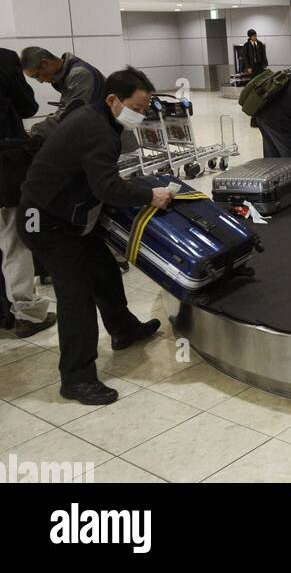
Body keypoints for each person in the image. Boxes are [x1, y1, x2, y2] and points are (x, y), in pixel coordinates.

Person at [18, 67, 176, 406]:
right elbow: (106, 186)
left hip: (68, 218)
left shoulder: (100, 119)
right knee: (76, 296)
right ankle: (76, 378)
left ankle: (123, 329)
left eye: (146, 107)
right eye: (137, 106)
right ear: (112, 100)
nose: (142, 113)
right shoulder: (97, 130)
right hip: (44, 222)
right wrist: (151, 196)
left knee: (103, 270)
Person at [0, 47, 55, 339]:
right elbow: (28, 107)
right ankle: (27, 314)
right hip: (5, 164)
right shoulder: (5, 58)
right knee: (14, 240)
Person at [20, 47, 106, 144]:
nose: (40, 81)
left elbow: (71, 117)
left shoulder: (80, 74)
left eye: (37, 75)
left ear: (45, 63)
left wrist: (36, 131)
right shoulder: (70, 74)